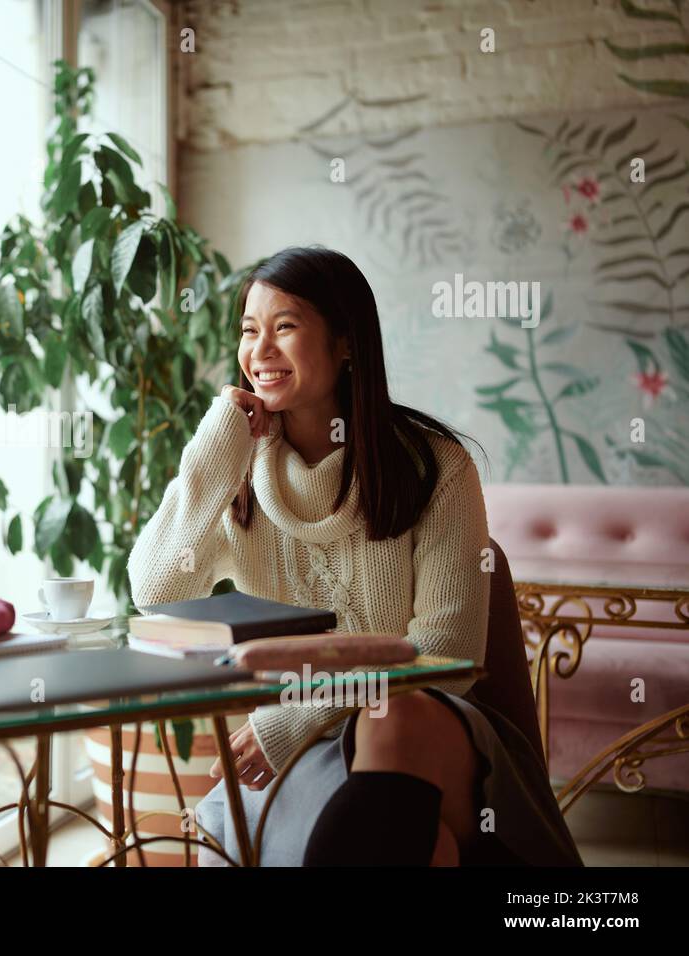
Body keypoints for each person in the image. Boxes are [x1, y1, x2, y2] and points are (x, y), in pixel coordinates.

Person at [127, 246, 581, 866]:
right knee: (431, 847)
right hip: (316, 757)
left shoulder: (436, 469)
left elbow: (446, 654)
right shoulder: (235, 474)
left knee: (392, 718)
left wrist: (294, 721)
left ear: (346, 343)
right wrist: (214, 448)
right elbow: (153, 590)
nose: (259, 351)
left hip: (432, 731)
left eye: (284, 327)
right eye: (248, 330)